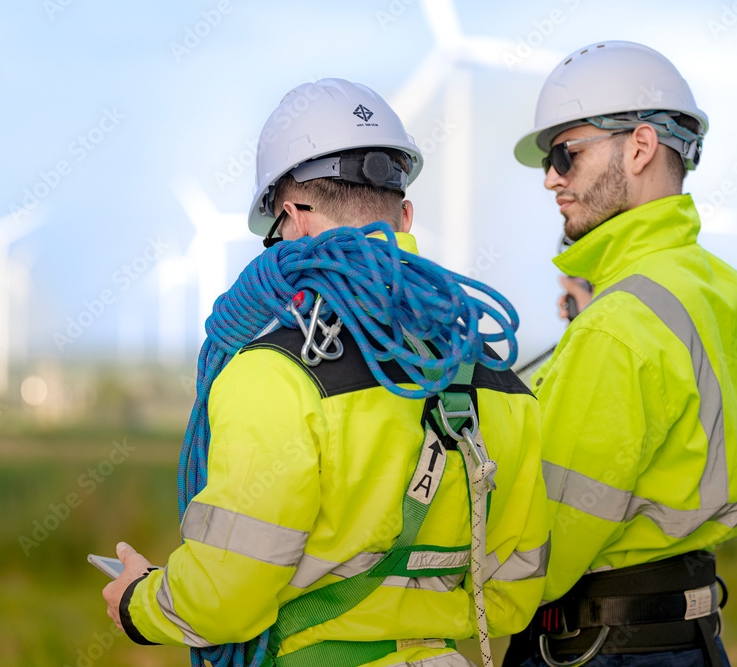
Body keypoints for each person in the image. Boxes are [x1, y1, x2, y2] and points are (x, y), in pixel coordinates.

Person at [101, 78, 550, 667]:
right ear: (405, 213)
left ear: (291, 216)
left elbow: (224, 596)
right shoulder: (500, 380)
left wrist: (142, 601)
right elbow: (515, 589)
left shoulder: (274, 374)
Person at [503, 41, 737, 667]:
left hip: (602, 646)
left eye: (566, 153)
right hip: (693, 638)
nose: (551, 178)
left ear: (640, 147)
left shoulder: (619, 326)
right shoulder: (721, 288)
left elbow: (540, 549)